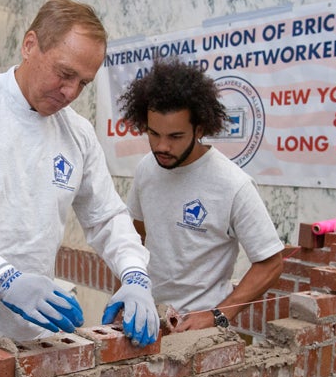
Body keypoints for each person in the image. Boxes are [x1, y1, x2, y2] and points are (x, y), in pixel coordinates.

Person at [0, 0, 159, 358]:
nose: (70, 92)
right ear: (30, 45)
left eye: (83, 83)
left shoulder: (78, 135)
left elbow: (107, 217)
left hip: (29, 336)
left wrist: (135, 276)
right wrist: (4, 280)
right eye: (64, 73)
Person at [119, 58, 285, 334]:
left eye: (175, 136)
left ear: (200, 130)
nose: (162, 146)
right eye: (154, 133)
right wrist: (126, 294)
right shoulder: (146, 169)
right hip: (148, 320)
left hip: (199, 332)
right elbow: (135, 238)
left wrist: (218, 315)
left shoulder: (233, 185)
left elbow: (270, 263)